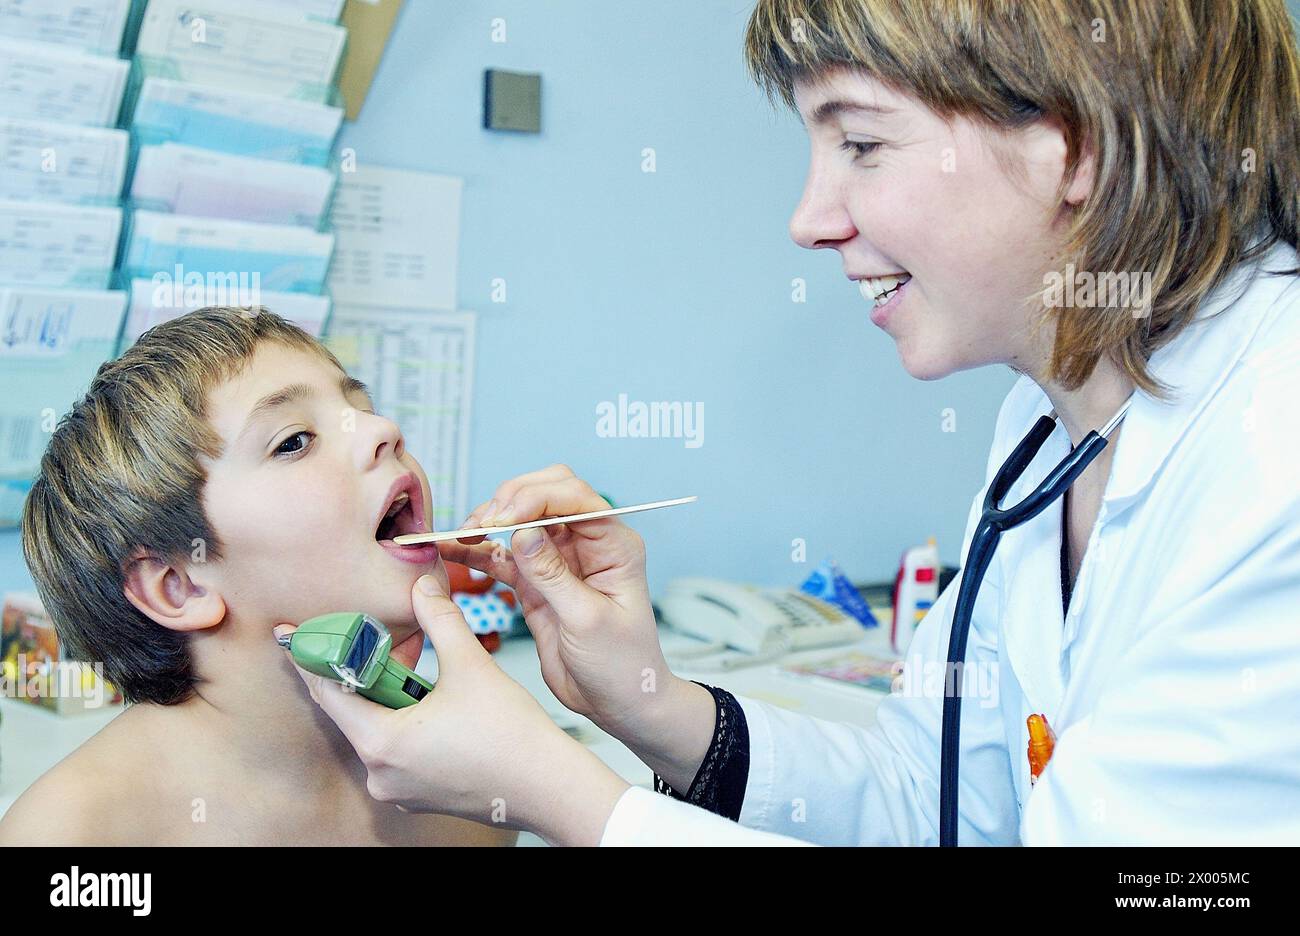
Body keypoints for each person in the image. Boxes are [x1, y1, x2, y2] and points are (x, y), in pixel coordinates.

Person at [293, 0, 1300, 845]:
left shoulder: (1274, 460)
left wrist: (568, 799)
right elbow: (938, 794)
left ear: (1070, 144)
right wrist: (649, 706)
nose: (809, 218)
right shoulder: (1045, 427)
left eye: (859, 142)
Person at [0, 308, 513, 846]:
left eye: (362, 409)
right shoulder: (71, 836)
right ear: (178, 585)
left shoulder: (469, 789)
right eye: (294, 440)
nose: (384, 430)